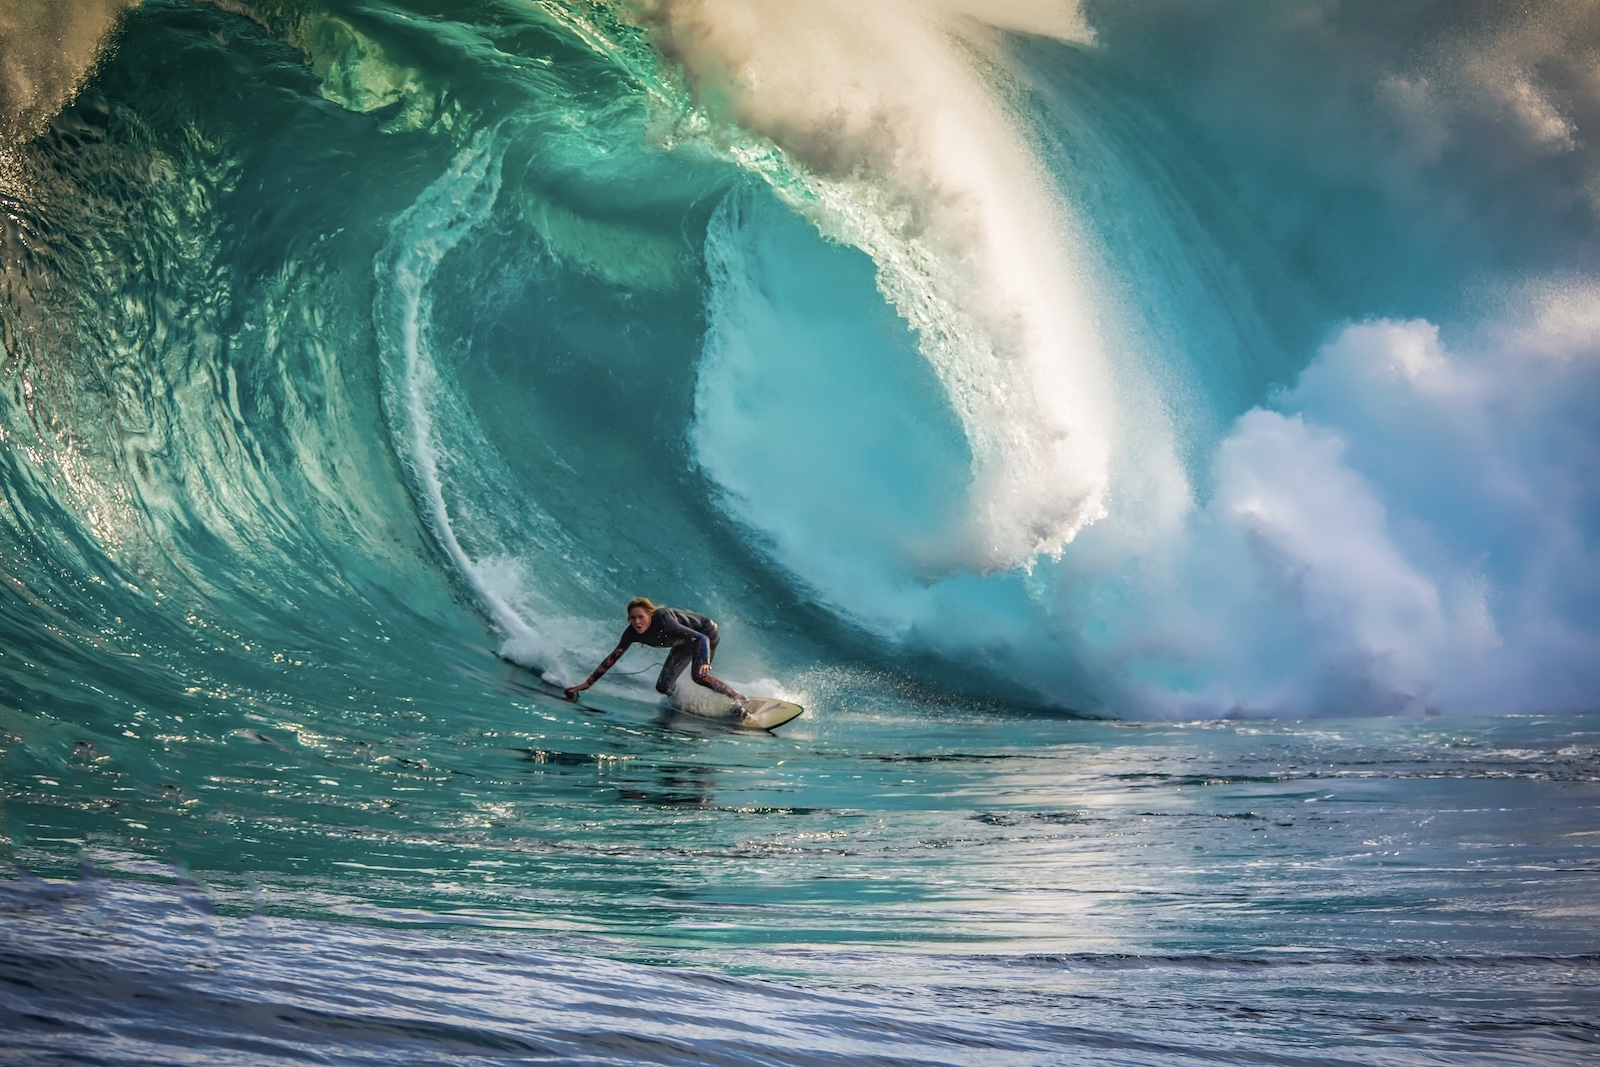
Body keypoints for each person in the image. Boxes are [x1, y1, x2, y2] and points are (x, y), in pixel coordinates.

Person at [564, 597, 745, 703]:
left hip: (704, 632)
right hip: (684, 643)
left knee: (698, 676)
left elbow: (701, 638)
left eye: (641, 617)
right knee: (663, 686)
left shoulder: (664, 621)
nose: (637, 622)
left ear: (650, 615)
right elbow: (612, 659)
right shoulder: (632, 633)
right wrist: (586, 684)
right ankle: (684, 702)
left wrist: (705, 662)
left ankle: (738, 699)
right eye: (632, 618)